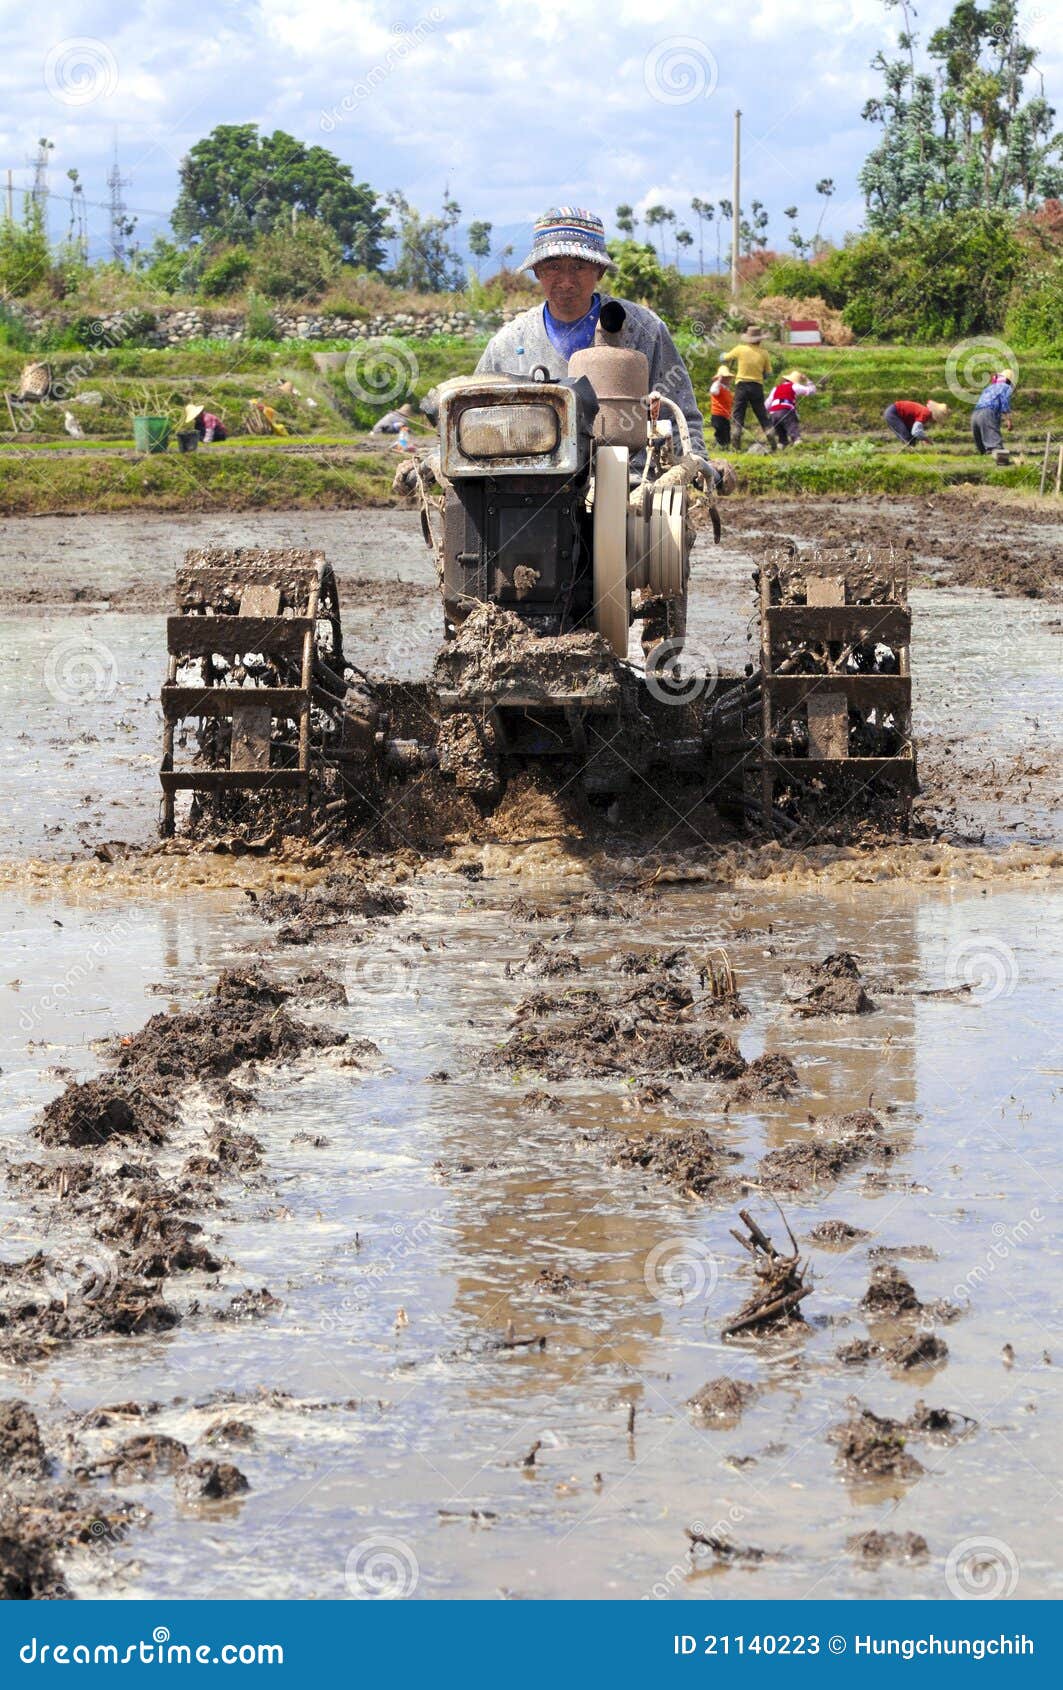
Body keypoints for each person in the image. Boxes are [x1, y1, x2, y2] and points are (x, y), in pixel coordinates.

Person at [475, 207, 712, 472]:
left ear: (599, 271)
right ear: (537, 271)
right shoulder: (508, 344)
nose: (566, 281)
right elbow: (475, 422)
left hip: (632, 481)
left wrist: (695, 464)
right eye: (553, 266)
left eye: (579, 266)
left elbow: (681, 415)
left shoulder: (643, 330)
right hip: (533, 484)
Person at [721, 328, 776, 451]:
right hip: (757, 387)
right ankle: (772, 441)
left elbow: (725, 358)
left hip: (742, 386)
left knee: (738, 415)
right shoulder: (764, 353)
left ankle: (736, 446)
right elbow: (768, 373)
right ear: (760, 340)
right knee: (762, 415)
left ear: (748, 339)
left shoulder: (740, 349)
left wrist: (722, 356)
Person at [971, 369, 1015, 464]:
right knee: (994, 444)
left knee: (982, 445)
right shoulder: (1005, 387)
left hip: (975, 414)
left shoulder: (989, 387)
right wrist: (1009, 420)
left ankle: (985, 461)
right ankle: (1002, 462)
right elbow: (1004, 403)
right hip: (988, 412)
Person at [766, 369, 817, 448]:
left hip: (773, 414)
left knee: (782, 438)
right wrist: (808, 381)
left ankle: (781, 445)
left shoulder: (775, 389)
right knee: (793, 429)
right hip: (785, 411)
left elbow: (767, 404)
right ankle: (797, 443)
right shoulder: (794, 386)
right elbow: (812, 391)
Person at [883, 398, 948, 446]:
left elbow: (915, 431)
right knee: (908, 439)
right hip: (894, 413)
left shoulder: (925, 412)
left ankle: (908, 455)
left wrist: (922, 438)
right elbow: (916, 432)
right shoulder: (926, 414)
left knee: (912, 440)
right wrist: (926, 439)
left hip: (895, 412)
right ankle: (907, 457)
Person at [708, 365, 734, 449]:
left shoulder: (726, 389)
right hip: (717, 414)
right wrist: (718, 381)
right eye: (725, 377)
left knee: (726, 431)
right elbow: (713, 391)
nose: (727, 379)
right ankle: (719, 446)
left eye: (727, 378)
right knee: (719, 430)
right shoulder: (717, 386)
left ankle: (725, 446)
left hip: (725, 415)